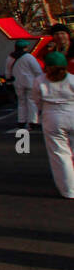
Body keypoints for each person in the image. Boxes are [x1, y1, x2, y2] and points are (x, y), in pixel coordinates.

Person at [36, 52, 74, 198]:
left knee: (60, 154)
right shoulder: (72, 79)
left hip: (52, 116)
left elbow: (36, 100)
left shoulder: (40, 81)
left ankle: (69, 190)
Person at [12, 41, 44, 130]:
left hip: (17, 82)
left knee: (21, 102)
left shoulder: (11, 57)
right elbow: (37, 70)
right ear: (25, 47)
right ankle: (33, 121)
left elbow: (7, 70)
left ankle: (21, 121)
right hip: (30, 82)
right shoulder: (29, 57)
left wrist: (9, 79)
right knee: (32, 101)